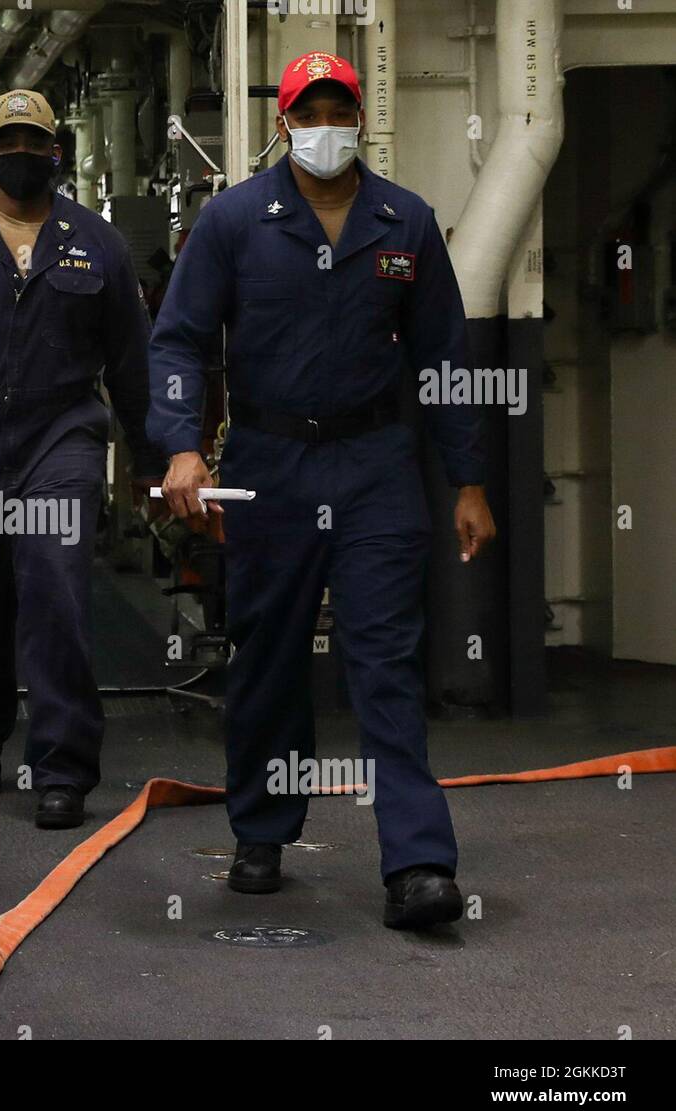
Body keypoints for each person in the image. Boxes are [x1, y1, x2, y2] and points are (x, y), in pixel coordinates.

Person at [148, 51, 497, 928]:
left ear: (361, 120)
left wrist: (469, 480)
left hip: (378, 463)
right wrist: (183, 447)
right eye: (310, 113)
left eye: (339, 109)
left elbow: (445, 358)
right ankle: (262, 831)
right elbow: (179, 342)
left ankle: (418, 863)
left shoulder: (404, 222)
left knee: (385, 660)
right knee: (267, 655)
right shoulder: (234, 221)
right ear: (285, 125)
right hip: (270, 467)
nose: (325, 126)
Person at [0, 89, 161, 829]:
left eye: (35, 144)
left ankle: (62, 766)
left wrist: (148, 460)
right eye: (9, 143)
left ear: (57, 154)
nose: (22, 155)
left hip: (62, 439)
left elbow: (130, 362)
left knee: (54, 585)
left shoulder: (97, 243)